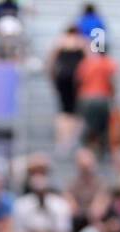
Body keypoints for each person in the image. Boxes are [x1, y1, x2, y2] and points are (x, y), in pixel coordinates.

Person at [48, 26, 86, 155]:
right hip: (76, 79)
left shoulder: (61, 41)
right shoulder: (82, 41)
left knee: (64, 111)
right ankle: (71, 139)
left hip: (63, 77)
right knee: (75, 111)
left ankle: (63, 141)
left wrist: (53, 78)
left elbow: (51, 62)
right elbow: (90, 60)